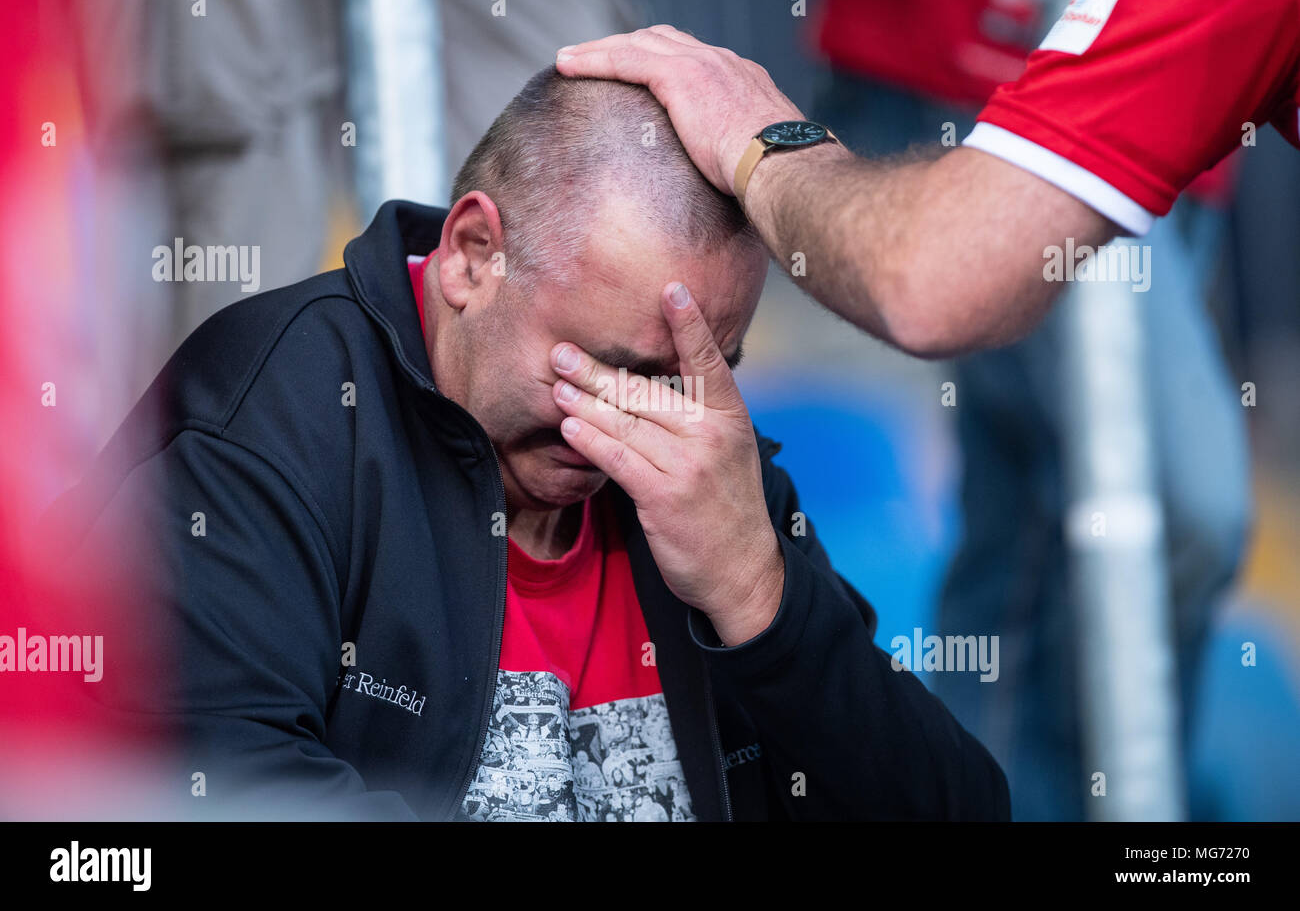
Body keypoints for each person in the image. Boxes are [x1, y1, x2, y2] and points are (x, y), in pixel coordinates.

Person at [50, 67, 1010, 821]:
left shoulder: (700, 457)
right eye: (607, 366)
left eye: (696, 376)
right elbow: (208, 797)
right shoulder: (270, 427)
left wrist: (761, 603)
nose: (641, 418)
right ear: (472, 257)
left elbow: (953, 808)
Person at [806, 0, 1250, 819]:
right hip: (991, 65)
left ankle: (1005, 792)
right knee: (1160, 503)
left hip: (1194, 82)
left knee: (1030, 517)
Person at [554, 0, 1300, 355]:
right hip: (945, 78)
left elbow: (927, 279)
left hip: (1066, 135)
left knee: (1174, 506)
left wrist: (753, 131)